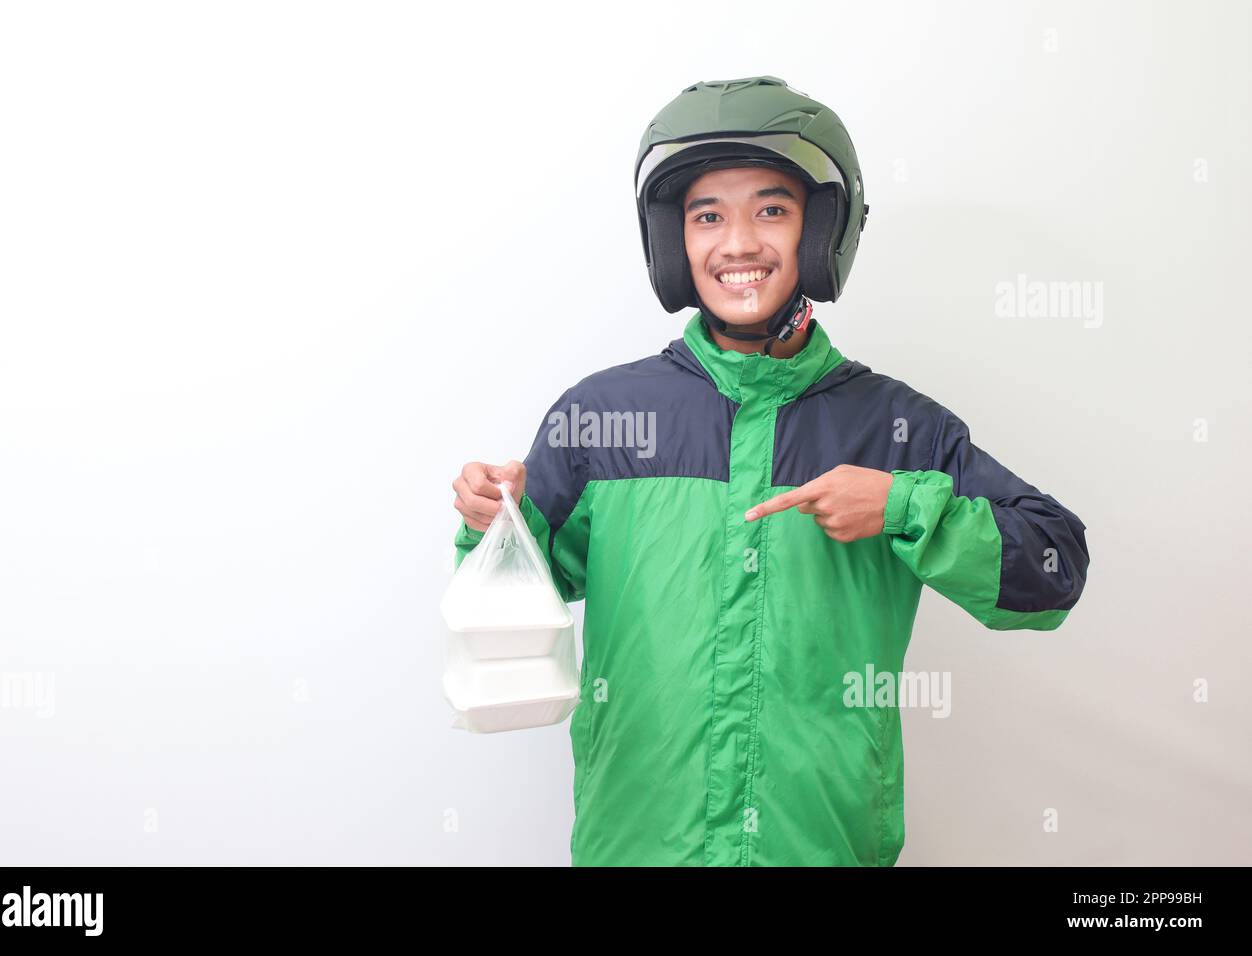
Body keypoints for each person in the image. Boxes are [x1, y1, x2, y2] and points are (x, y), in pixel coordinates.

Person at [450, 76, 1090, 866]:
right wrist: (494, 521)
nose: (740, 243)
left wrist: (903, 507)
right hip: (641, 844)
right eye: (707, 215)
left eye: (772, 210)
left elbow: (1054, 570)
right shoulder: (603, 417)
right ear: (673, 241)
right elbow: (514, 598)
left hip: (817, 846)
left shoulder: (896, 429)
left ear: (823, 230)